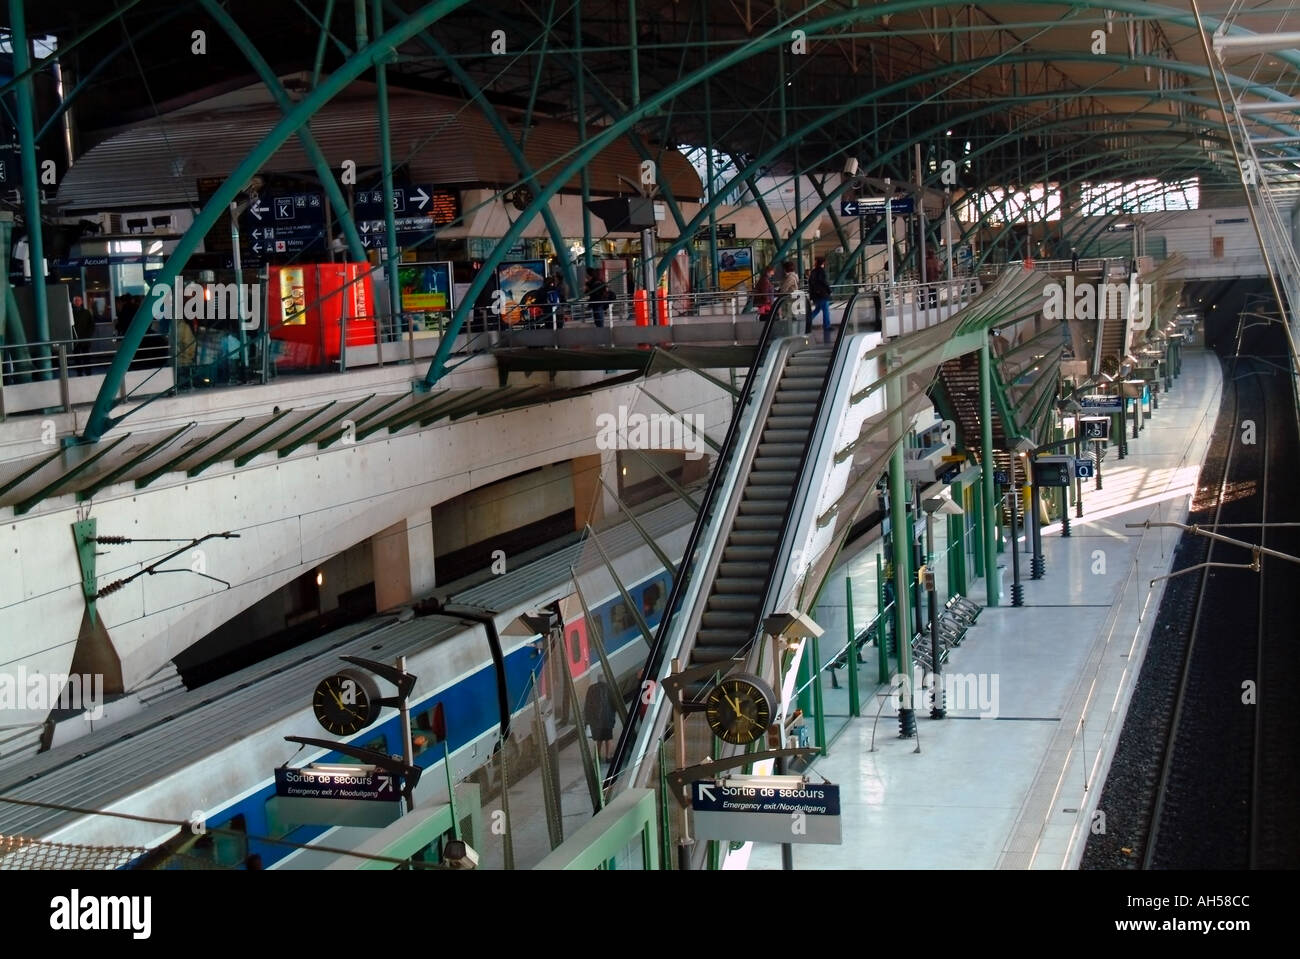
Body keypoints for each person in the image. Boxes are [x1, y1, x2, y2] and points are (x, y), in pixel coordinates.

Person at [584, 680, 617, 762]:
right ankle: (608, 756)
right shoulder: (609, 688)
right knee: (608, 738)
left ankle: (597, 756)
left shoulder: (591, 688)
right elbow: (614, 703)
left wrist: (587, 720)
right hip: (608, 718)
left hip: (596, 720)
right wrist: (613, 716)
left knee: (599, 739)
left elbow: (588, 705)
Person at [807, 256, 832, 335]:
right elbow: (824, 282)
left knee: (817, 309)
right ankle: (827, 326)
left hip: (815, 295)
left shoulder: (813, 272)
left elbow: (811, 283)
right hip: (822, 294)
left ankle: (807, 322)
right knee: (826, 311)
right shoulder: (821, 271)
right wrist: (829, 290)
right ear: (823, 263)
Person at [71, 295, 94, 374]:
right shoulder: (70, 313)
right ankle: (79, 371)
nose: (77, 302)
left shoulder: (86, 312)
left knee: (86, 355)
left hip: (85, 338)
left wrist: (88, 335)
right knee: (76, 356)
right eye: (75, 300)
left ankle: (88, 371)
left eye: (78, 300)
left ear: (82, 302)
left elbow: (91, 325)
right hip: (74, 338)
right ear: (73, 302)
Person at [776, 260, 800, 324]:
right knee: (791, 315)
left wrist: (778, 292)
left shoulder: (790, 277)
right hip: (792, 298)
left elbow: (784, 288)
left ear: (786, 269)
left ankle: (789, 330)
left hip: (789, 298)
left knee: (788, 315)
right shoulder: (792, 276)